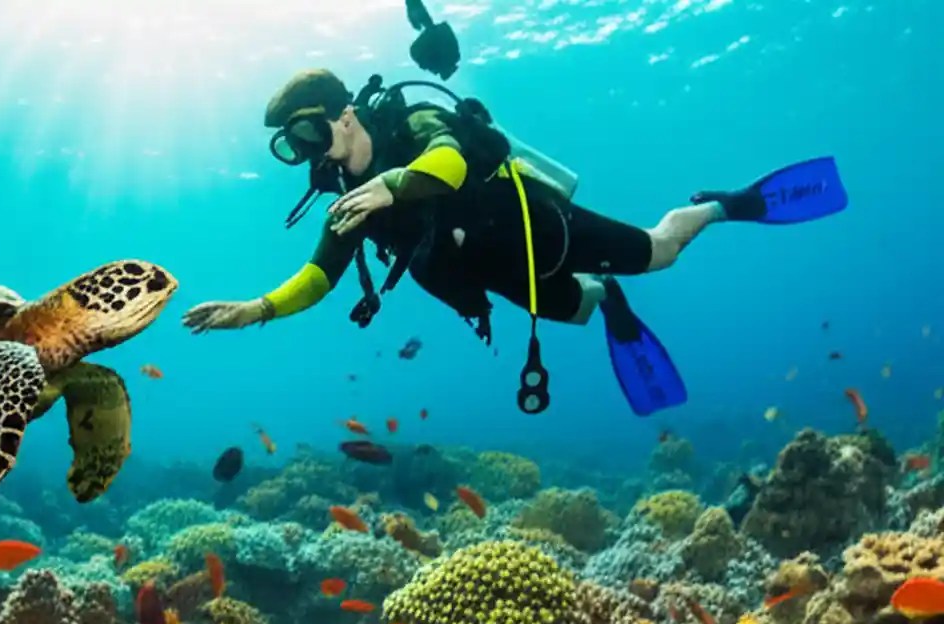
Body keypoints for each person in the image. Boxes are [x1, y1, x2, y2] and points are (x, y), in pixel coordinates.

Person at [181, 69, 847, 415]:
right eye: (291, 148)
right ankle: (608, 301)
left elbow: (450, 161)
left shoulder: (413, 122)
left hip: (538, 229)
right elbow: (319, 277)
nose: (306, 157)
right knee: (585, 308)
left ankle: (721, 207)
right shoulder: (345, 203)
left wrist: (393, 185)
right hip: (502, 280)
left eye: (308, 136)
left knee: (660, 251)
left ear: (344, 114)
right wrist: (256, 310)